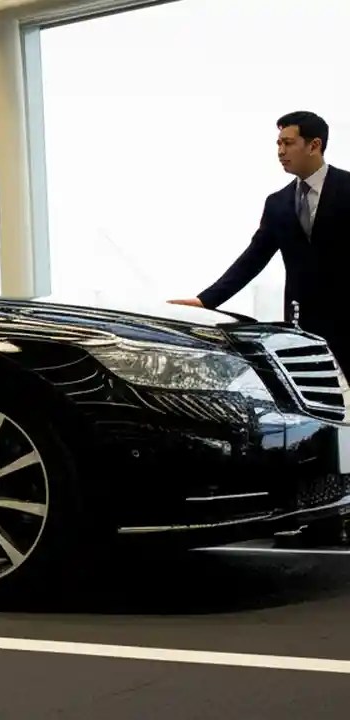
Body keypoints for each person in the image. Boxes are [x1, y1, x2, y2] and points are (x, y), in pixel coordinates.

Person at [170, 110, 349, 546]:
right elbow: (253, 259)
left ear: (315, 145)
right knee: (318, 422)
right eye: (278, 144)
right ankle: (321, 515)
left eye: (288, 142)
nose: (280, 151)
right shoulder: (277, 203)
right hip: (304, 329)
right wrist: (205, 300)